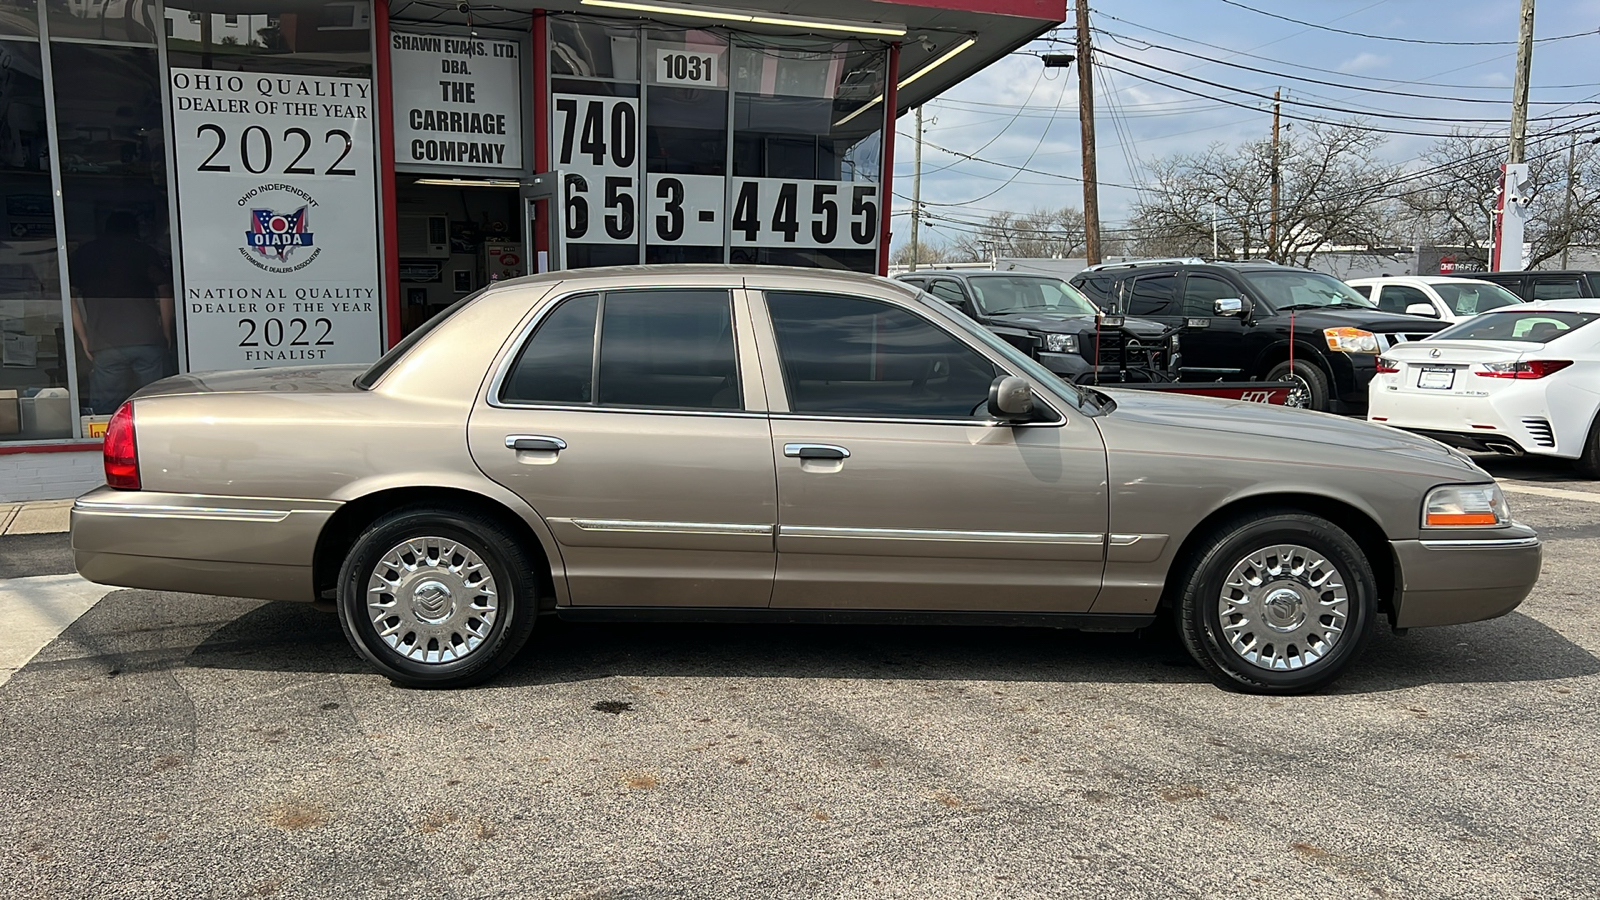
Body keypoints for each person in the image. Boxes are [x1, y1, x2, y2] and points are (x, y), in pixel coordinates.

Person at [69, 211, 173, 414]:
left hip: (105, 342)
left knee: (106, 412)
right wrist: (166, 331)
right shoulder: (144, 251)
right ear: (134, 230)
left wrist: (84, 338)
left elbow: (68, 298)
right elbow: (165, 290)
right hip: (147, 338)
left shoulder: (84, 254)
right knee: (157, 407)